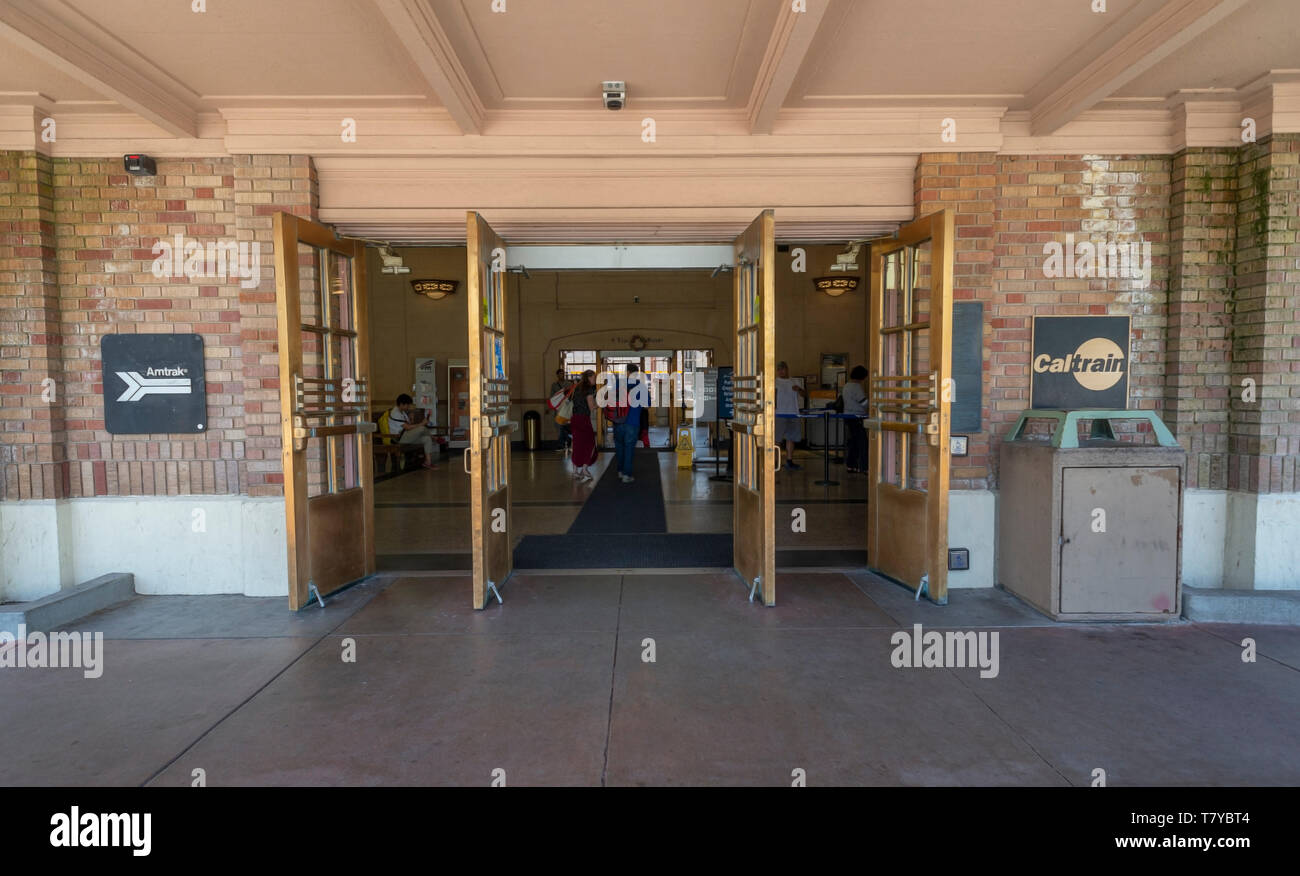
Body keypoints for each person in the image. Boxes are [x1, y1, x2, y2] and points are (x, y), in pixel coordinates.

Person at [609, 363, 645, 483]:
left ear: (627, 372)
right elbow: (647, 403)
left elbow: (610, 400)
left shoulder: (618, 383)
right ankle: (626, 475)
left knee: (619, 447)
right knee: (629, 448)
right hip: (632, 422)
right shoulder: (640, 386)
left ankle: (620, 471)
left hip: (618, 421)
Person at [387, 393, 436, 469]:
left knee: (427, 439)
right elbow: (408, 427)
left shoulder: (402, 412)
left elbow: (409, 425)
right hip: (399, 438)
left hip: (406, 436)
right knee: (422, 428)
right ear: (401, 404)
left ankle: (428, 462)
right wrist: (422, 423)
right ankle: (434, 437)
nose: (408, 407)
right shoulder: (395, 413)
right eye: (407, 405)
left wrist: (411, 419)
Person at [774, 361, 806, 471]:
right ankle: (775, 461)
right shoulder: (774, 382)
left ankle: (789, 461)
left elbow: (804, 394)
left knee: (791, 438)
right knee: (777, 439)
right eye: (779, 369)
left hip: (793, 413)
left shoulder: (795, 381)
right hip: (779, 413)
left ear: (787, 369)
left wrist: (799, 389)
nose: (781, 371)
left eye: (783, 368)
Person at [569, 370, 598, 481]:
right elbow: (591, 407)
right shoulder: (589, 390)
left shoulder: (576, 388)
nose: (595, 380)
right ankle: (585, 468)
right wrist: (599, 404)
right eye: (594, 377)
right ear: (589, 377)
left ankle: (575, 471)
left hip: (574, 419)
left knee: (577, 444)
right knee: (590, 443)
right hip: (583, 419)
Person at [842, 365, 869, 473]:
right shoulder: (856, 387)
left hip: (848, 416)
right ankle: (864, 467)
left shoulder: (847, 385)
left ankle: (851, 465)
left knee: (853, 442)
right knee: (863, 443)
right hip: (857, 417)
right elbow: (864, 403)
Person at [550, 369, 572, 453]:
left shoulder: (569, 384)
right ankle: (561, 445)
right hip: (559, 410)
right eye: (560, 374)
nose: (561, 375)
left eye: (563, 373)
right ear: (557, 375)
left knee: (568, 427)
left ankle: (569, 444)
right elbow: (552, 397)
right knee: (559, 428)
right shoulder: (554, 385)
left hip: (567, 409)